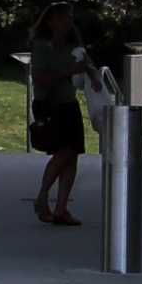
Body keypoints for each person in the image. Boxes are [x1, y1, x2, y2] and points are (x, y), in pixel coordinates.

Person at [24, 17, 90, 234]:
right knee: (64, 151)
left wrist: (91, 73)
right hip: (49, 104)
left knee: (73, 153)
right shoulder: (42, 47)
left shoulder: (75, 44)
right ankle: (42, 196)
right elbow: (38, 79)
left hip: (69, 103)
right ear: (50, 21)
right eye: (61, 16)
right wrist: (68, 72)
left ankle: (61, 208)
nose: (66, 21)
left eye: (69, 17)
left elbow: (87, 64)